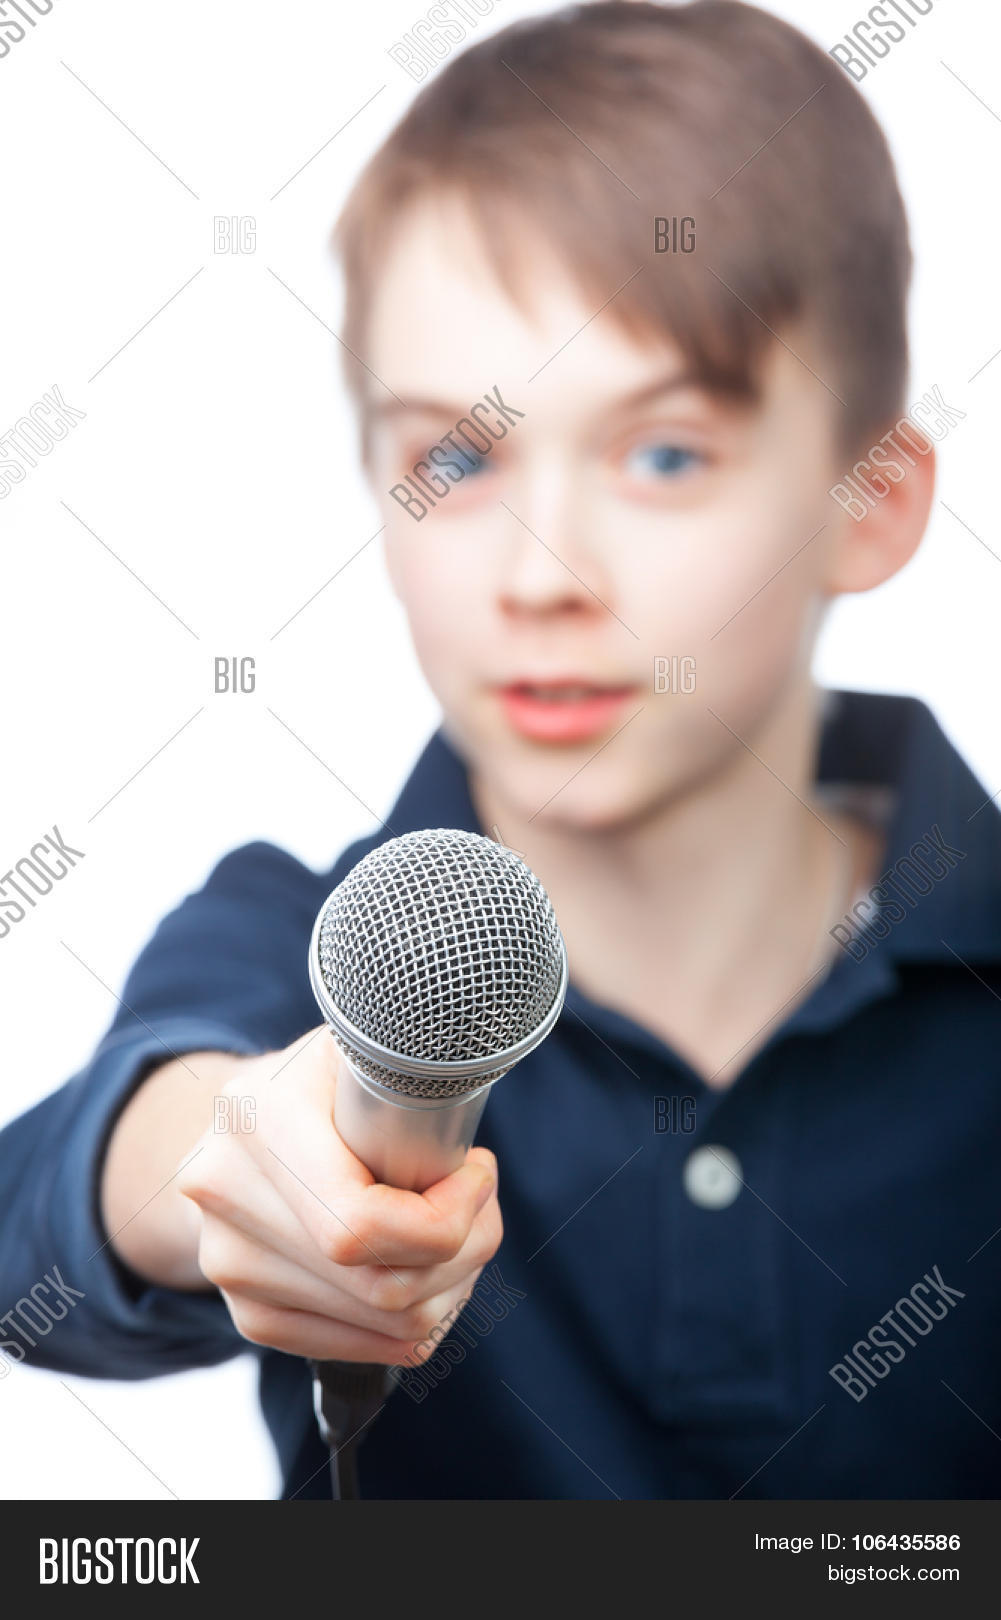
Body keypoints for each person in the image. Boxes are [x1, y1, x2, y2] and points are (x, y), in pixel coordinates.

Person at [2, 0, 998, 1499]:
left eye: (663, 453)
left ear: (868, 499)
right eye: (454, 461)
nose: (541, 572)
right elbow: (80, 1185)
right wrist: (234, 1164)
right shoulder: (293, 939)